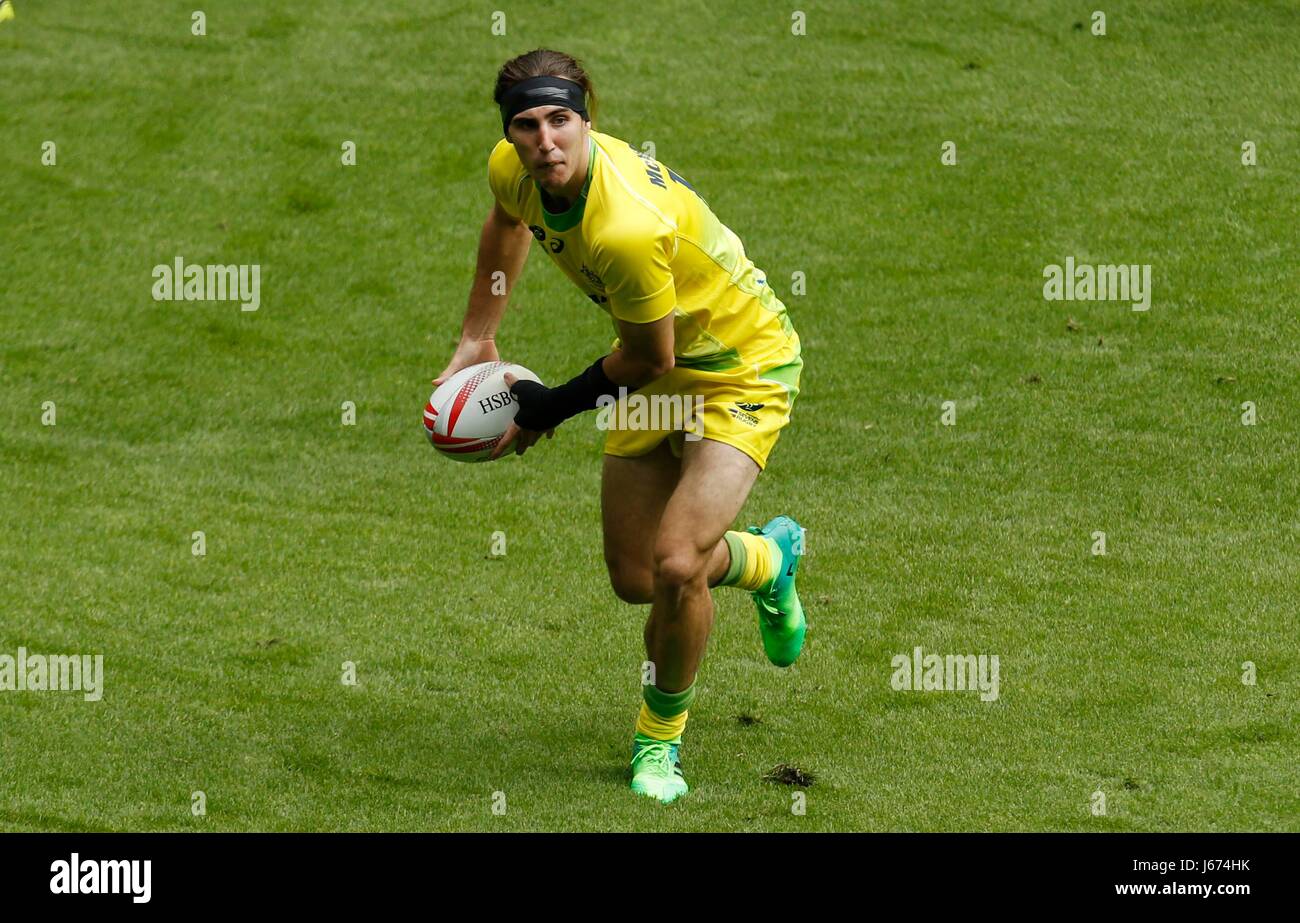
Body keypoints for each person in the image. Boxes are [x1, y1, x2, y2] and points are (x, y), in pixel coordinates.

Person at [433, 48, 806, 804]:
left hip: (740, 368)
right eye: (527, 126)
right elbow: (507, 222)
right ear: (510, 135)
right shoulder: (514, 170)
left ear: (588, 119)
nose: (545, 142)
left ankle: (657, 744)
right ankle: (766, 559)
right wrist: (479, 335)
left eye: (561, 120)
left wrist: (545, 409)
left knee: (676, 564)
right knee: (637, 577)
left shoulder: (626, 228)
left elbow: (646, 355)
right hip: (658, 365)